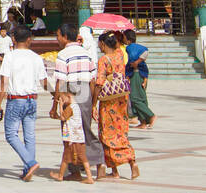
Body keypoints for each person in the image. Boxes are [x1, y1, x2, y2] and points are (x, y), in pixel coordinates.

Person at [0, 24, 49, 181]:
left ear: (13, 39)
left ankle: (30, 162)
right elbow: (44, 81)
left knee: (11, 134)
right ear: (29, 39)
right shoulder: (36, 57)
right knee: (30, 135)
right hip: (31, 99)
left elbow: (4, 82)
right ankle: (28, 168)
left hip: (16, 100)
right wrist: (55, 93)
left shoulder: (10, 57)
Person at [50, 21, 102, 181]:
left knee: (69, 131)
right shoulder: (86, 53)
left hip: (70, 94)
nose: (57, 39)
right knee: (85, 128)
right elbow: (93, 80)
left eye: (58, 35)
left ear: (65, 37)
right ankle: (99, 163)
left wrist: (55, 105)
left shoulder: (63, 55)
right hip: (86, 91)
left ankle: (75, 170)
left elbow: (59, 81)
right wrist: (93, 102)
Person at [94, 31, 138, 180]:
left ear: (103, 44)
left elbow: (99, 83)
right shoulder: (120, 55)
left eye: (99, 43)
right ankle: (129, 164)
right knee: (120, 131)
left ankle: (114, 169)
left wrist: (94, 103)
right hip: (122, 99)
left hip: (108, 101)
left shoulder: (104, 60)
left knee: (106, 134)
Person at [123, 29, 156, 129]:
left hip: (136, 74)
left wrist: (136, 62)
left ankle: (150, 115)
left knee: (134, 98)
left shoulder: (130, 48)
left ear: (127, 38)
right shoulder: (134, 47)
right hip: (140, 74)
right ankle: (143, 122)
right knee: (141, 97)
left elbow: (143, 52)